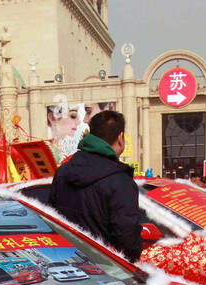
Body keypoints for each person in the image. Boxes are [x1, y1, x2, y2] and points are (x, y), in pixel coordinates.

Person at [46, 109, 142, 261]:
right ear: (120, 138)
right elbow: (128, 241)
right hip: (106, 271)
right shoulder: (120, 182)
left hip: (68, 261)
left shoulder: (63, 172)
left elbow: (52, 221)